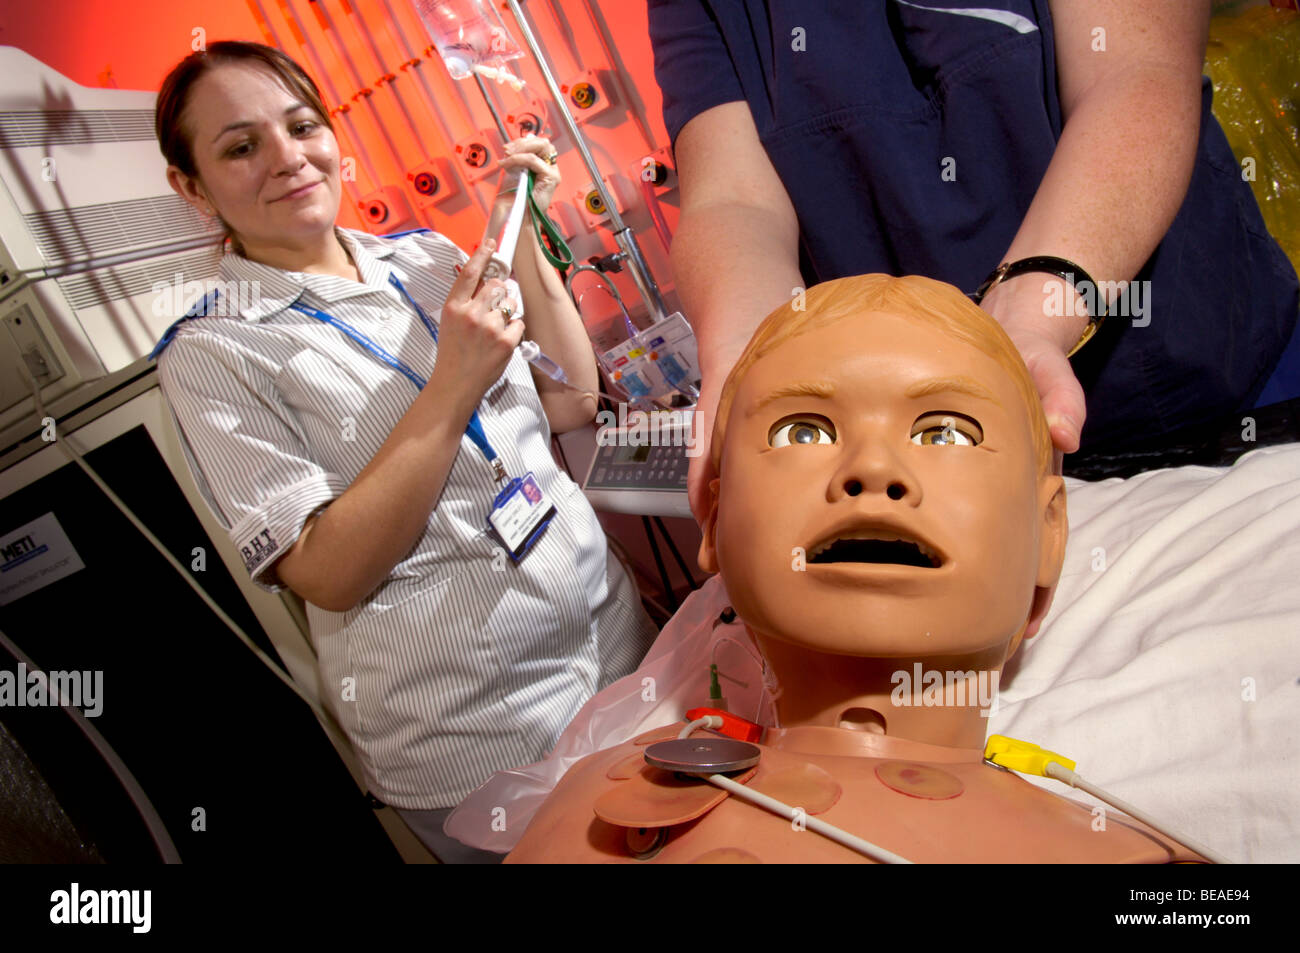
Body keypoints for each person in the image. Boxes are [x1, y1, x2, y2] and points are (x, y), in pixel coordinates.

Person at [150, 41, 656, 861]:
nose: (288, 159)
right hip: (485, 740)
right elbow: (325, 569)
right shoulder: (214, 351)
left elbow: (570, 399)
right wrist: (451, 386)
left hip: (617, 650)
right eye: (241, 147)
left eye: (302, 126)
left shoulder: (427, 260)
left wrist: (516, 230)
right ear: (193, 187)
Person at [505, 274, 1205, 862]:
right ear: (713, 518)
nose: (872, 470)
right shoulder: (603, 803)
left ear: (1049, 533)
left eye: (946, 431)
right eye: (802, 430)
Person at [647, 0, 1300, 521]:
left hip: (1222, 391)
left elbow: (1136, 72)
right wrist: (750, 361)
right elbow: (731, 201)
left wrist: (1026, 322)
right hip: (952, 477)